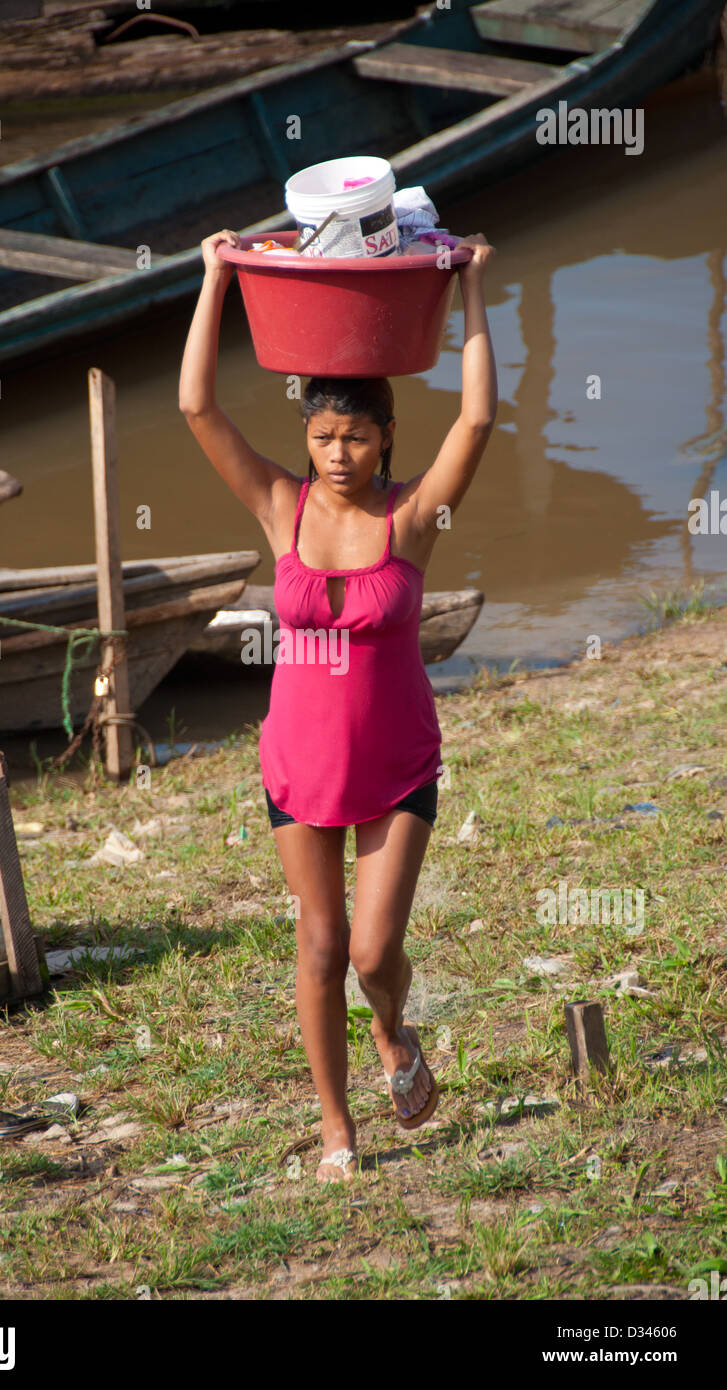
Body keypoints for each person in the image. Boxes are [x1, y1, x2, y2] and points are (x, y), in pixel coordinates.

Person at [179, 227, 496, 1183]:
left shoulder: (412, 520)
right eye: (321, 437)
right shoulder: (283, 507)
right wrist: (214, 279)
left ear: (386, 434)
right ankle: (334, 1127)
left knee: (368, 954)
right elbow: (197, 405)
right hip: (298, 762)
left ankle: (393, 1033)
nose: (338, 453)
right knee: (317, 946)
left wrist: (475, 287)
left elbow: (476, 423)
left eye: (355, 435)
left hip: (396, 763)